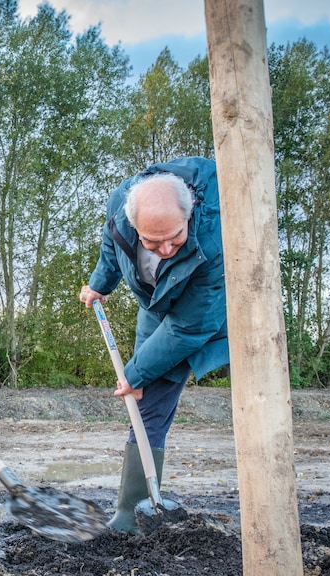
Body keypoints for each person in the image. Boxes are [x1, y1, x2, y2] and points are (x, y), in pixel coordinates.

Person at [78, 156, 229, 534]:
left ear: (189, 215)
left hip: (204, 316)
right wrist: (99, 284)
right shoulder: (121, 207)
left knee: (146, 384)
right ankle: (132, 513)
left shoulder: (215, 239)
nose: (164, 250)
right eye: (152, 241)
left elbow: (191, 327)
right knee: (143, 402)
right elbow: (112, 247)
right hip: (156, 304)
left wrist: (135, 372)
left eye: (175, 238)